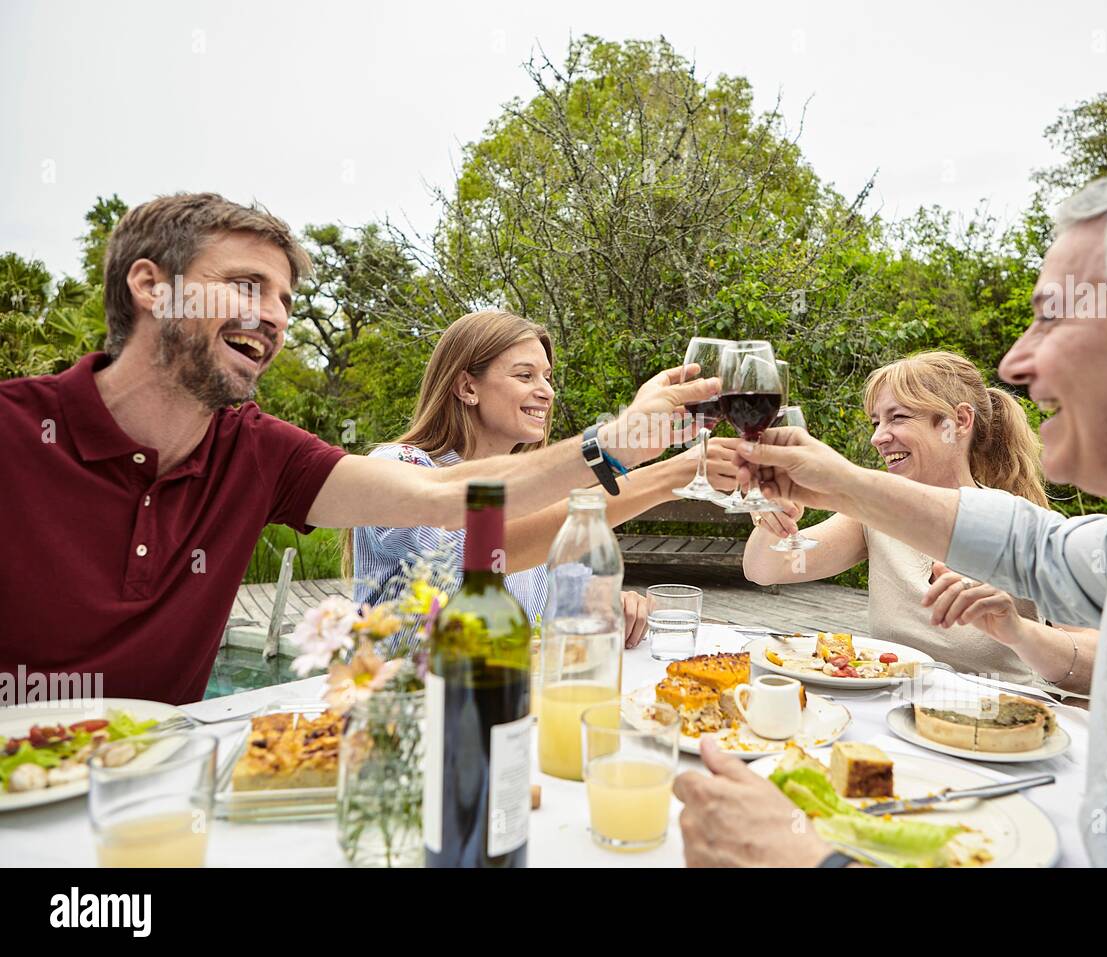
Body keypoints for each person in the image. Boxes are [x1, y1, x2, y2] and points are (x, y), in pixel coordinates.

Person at [682, 142, 1107, 867]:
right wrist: (839, 484)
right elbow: (1033, 548)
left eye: (1052, 317)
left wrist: (815, 861)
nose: (1014, 362)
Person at [0, 192, 718, 705]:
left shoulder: (258, 452)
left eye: (284, 298)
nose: (276, 316)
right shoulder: (13, 431)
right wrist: (630, 451)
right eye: (248, 285)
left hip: (173, 783)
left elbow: (452, 502)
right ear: (153, 288)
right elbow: (483, 528)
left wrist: (633, 448)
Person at [349, 309, 738, 647]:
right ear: (468, 387)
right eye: (525, 375)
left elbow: (561, 616)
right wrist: (671, 474)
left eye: (548, 377)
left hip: (514, 708)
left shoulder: (538, 501)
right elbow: (487, 551)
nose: (547, 392)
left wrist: (612, 606)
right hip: (406, 716)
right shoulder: (399, 468)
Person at [743, 351, 1095, 692]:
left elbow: (1095, 663)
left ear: (959, 421)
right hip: (895, 717)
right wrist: (774, 518)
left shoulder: (1021, 526)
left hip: (998, 729)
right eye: (876, 421)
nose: (878, 436)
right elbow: (764, 569)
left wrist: (1017, 630)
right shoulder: (872, 516)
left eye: (897, 417)